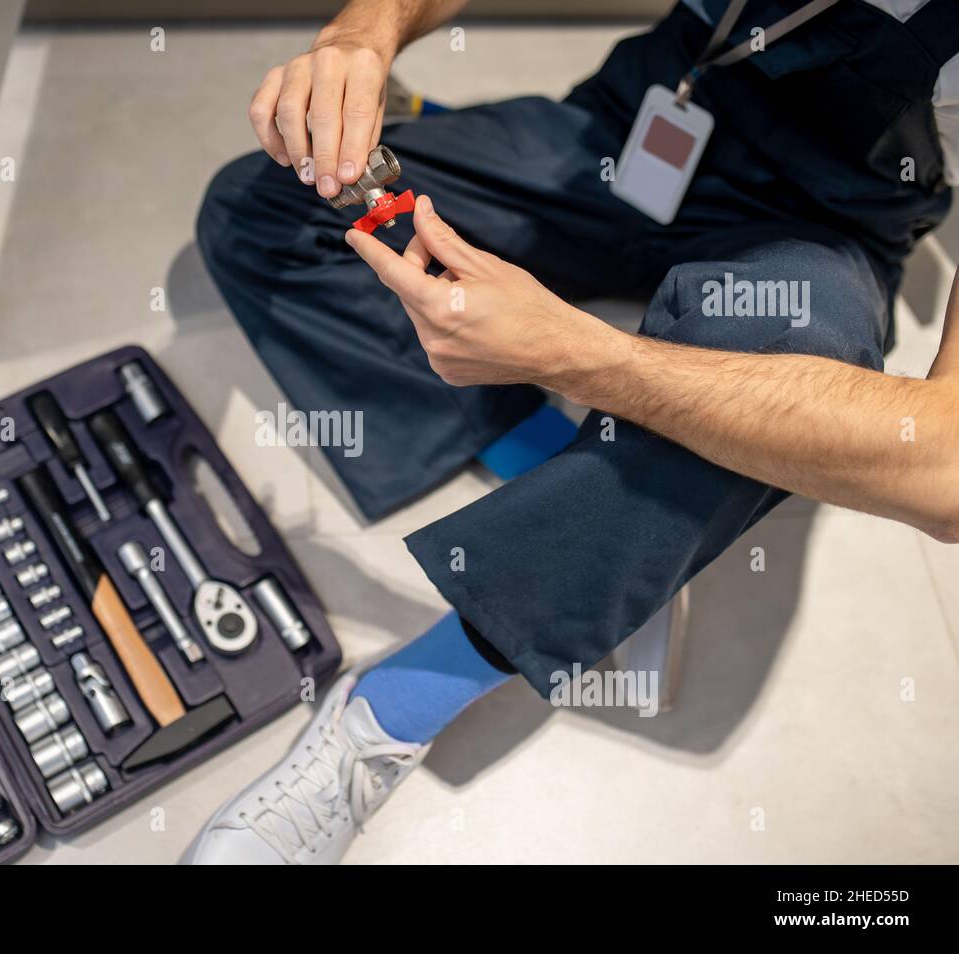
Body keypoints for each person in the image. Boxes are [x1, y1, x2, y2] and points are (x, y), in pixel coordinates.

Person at [186, 0, 959, 864]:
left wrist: (579, 358)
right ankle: (577, 484)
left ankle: (389, 710)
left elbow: (945, 470)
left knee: (788, 382)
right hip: (638, 125)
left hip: (826, 223)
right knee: (264, 209)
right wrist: (361, 35)